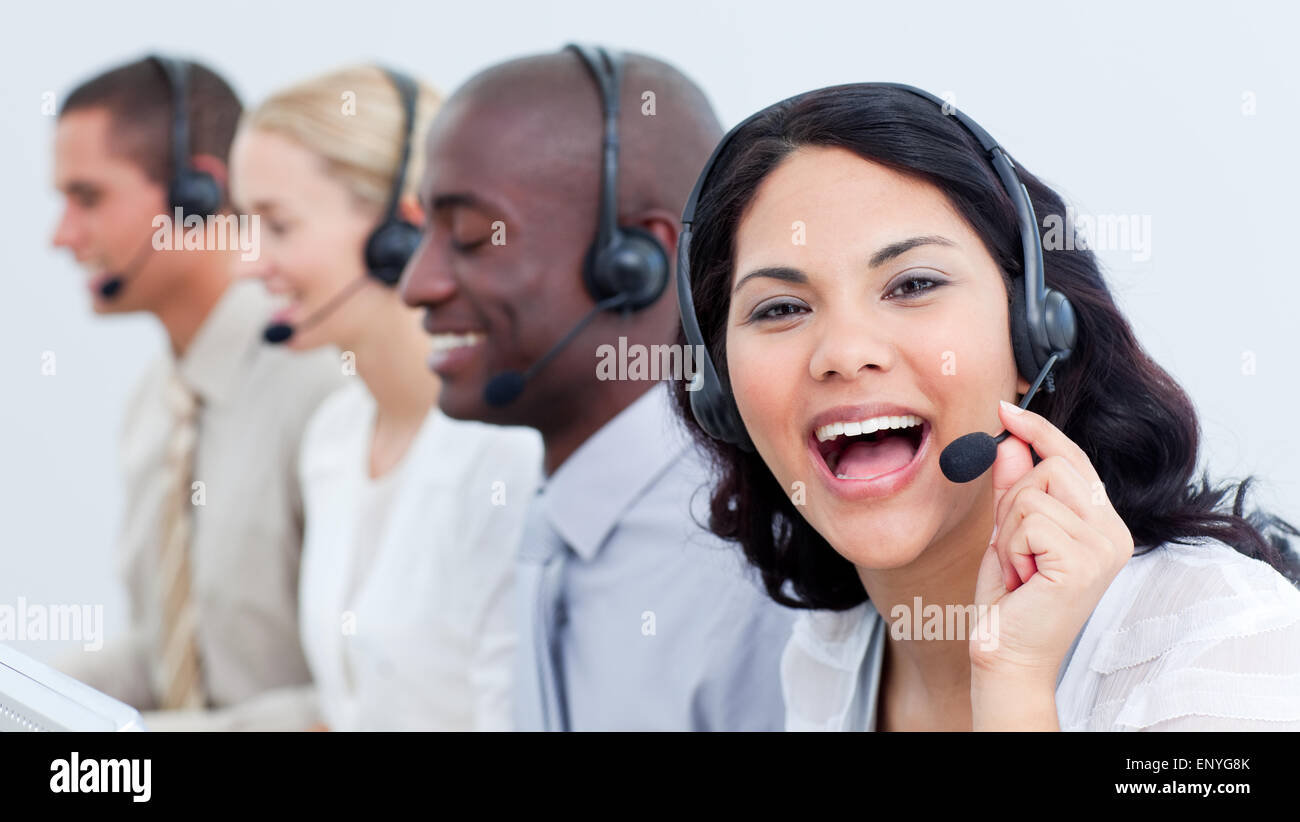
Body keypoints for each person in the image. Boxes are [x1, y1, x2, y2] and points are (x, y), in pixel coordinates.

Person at [670, 82, 1300, 731]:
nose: (845, 352)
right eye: (780, 309)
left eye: (913, 284)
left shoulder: (1229, 651)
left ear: (1037, 334)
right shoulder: (834, 653)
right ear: (719, 389)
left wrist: (1014, 682)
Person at [400, 45, 795, 731]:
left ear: (633, 261)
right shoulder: (554, 511)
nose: (416, 284)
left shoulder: (751, 566)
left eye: (468, 236)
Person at [229, 64, 543, 731]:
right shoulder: (335, 436)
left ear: (399, 235)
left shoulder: (505, 456)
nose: (247, 264)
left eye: (277, 226)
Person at [49, 55, 344, 730]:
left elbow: (363, 698)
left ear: (197, 195)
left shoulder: (325, 381)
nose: (61, 236)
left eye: (87, 198)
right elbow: (173, 656)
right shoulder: (158, 399)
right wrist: (33, 697)